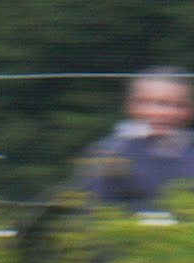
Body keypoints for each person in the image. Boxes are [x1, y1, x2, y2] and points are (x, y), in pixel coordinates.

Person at [77, 68, 194, 209]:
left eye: (175, 105)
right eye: (148, 103)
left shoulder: (190, 150)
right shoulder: (109, 153)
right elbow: (90, 208)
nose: (162, 112)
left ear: (189, 110)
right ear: (132, 105)